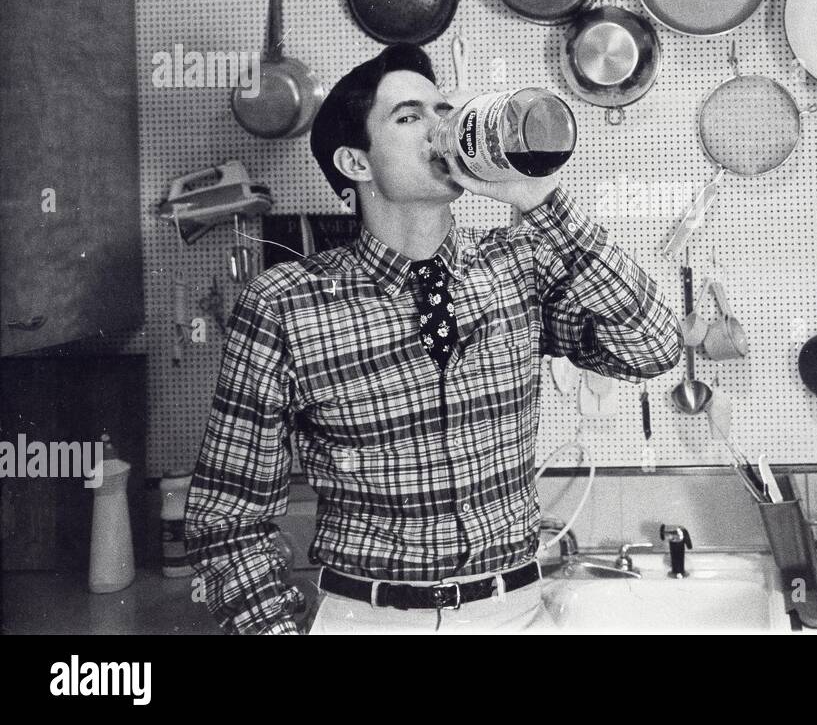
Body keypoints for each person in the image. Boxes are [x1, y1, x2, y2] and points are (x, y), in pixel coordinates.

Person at [185, 43, 683, 634]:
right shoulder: (285, 303)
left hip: (515, 612)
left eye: (440, 110)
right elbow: (227, 519)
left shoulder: (516, 265)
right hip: (368, 618)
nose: (437, 128)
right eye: (408, 116)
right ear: (356, 163)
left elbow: (654, 348)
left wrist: (539, 201)